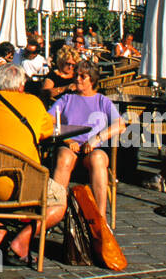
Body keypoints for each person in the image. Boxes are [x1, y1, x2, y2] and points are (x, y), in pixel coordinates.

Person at [0, 64, 68, 263]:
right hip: (21, 185)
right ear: (21, 86)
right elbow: (46, 133)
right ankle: (22, 239)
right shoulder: (33, 102)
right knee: (60, 202)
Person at [49, 62, 126, 223]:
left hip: (93, 148)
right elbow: (48, 122)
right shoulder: (67, 99)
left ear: (92, 80)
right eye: (76, 75)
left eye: (82, 76)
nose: (77, 79)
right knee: (64, 158)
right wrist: (67, 139)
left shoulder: (102, 101)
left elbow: (120, 125)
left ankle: (100, 218)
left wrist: (97, 138)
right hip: (70, 146)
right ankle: (56, 212)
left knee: (97, 159)